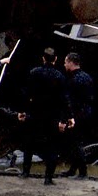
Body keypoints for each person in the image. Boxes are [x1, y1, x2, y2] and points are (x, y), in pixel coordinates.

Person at [21, 47, 70, 185]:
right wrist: (64, 119)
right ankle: (48, 178)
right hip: (51, 116)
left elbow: (26, 94)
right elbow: (64, 100)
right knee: (52, 147)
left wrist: (24, 111)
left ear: (43, 58)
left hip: (34, 113)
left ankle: (25, 172)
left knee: (29, 144)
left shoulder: (33, 73)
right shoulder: (59, 77)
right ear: (55, 59)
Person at [61, 52, 93, 179]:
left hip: (77, 115)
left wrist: (67, 117)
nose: (64, 64)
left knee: (75, 143)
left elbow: (69, 101)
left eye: (65, 62)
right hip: (87, 113)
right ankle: (73, 170)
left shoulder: (73, 80)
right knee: (75, 143)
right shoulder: (87, 77)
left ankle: (83, 172)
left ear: (70, 62)